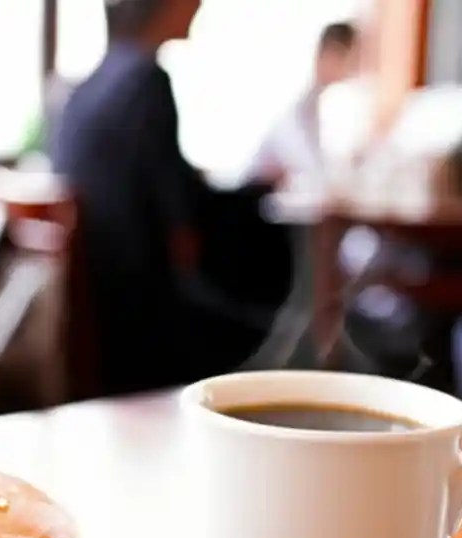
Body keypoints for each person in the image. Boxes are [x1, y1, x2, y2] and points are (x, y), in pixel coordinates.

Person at [53, 0, 290, 396]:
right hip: (145, 322)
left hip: (100, 313)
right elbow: (183, 231)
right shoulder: (147, 82)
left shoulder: (83, 90)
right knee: (277, 326)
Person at [245, 22, 361, 186]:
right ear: (332, 52)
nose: (353, 68)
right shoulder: (294, 88)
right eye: (352, 58)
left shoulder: (316, 100)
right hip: (248, 198)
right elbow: (305, 167)